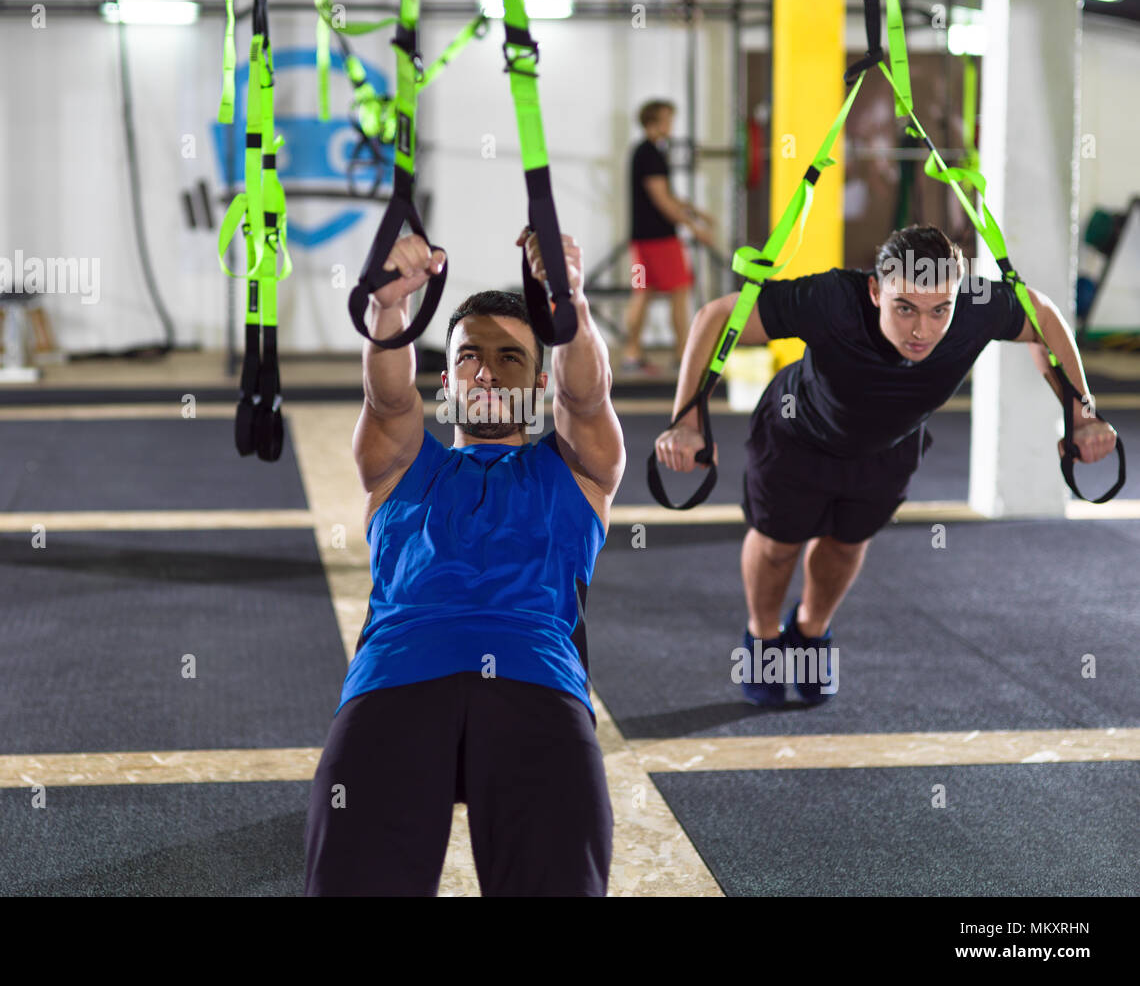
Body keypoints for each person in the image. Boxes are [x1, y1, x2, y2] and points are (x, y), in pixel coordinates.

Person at [654, 224, 1118, 705]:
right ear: (875, 291)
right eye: (905, 309)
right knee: (778, 547)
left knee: (845, 546)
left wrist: (1081, 415)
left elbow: (1041, 317)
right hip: (797, 437)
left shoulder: (978, 304)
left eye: (940, 310)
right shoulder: (830, 299)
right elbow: (716, 317)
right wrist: (687, 421)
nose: (922, 330)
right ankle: (765, 637)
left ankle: (810, 633)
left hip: (886, 449)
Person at [304, 228, 626, 896]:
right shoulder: (400, 464)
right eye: (471, 357)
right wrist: (389, 313)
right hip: (396, 681)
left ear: (540, 381)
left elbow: (586, 397)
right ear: (445, 378)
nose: (486, 371)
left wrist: (572, 307)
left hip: (535, 681)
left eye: (510, 358)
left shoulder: (576, 470)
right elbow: (388, 398)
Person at [623, 98, 717, 375]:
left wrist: (695, 210)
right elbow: (662, 201)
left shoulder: (645, 152)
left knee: (642, 292)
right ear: (653, 122)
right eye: (667, 119)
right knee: (679, 291)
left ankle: (631, 354)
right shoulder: (650, 154)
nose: (671, 124)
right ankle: (683, 354)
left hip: (643, 240)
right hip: (660, 240)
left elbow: (667, 195)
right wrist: (695, 228)